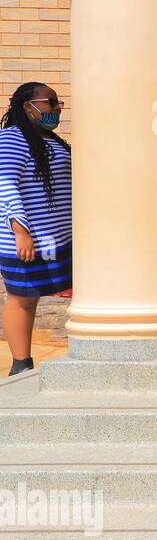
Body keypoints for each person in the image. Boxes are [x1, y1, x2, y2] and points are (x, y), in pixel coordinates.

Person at [0, 82, 71, 376]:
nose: (56, 109)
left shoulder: (50, 140)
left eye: (58, 103)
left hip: (60, 240)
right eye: (50, 102)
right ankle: (21, 365)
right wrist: (21, 231)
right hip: (28, 242)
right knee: (23, 299)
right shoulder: (11, 139)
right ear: (27, 107)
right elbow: (5, 184)